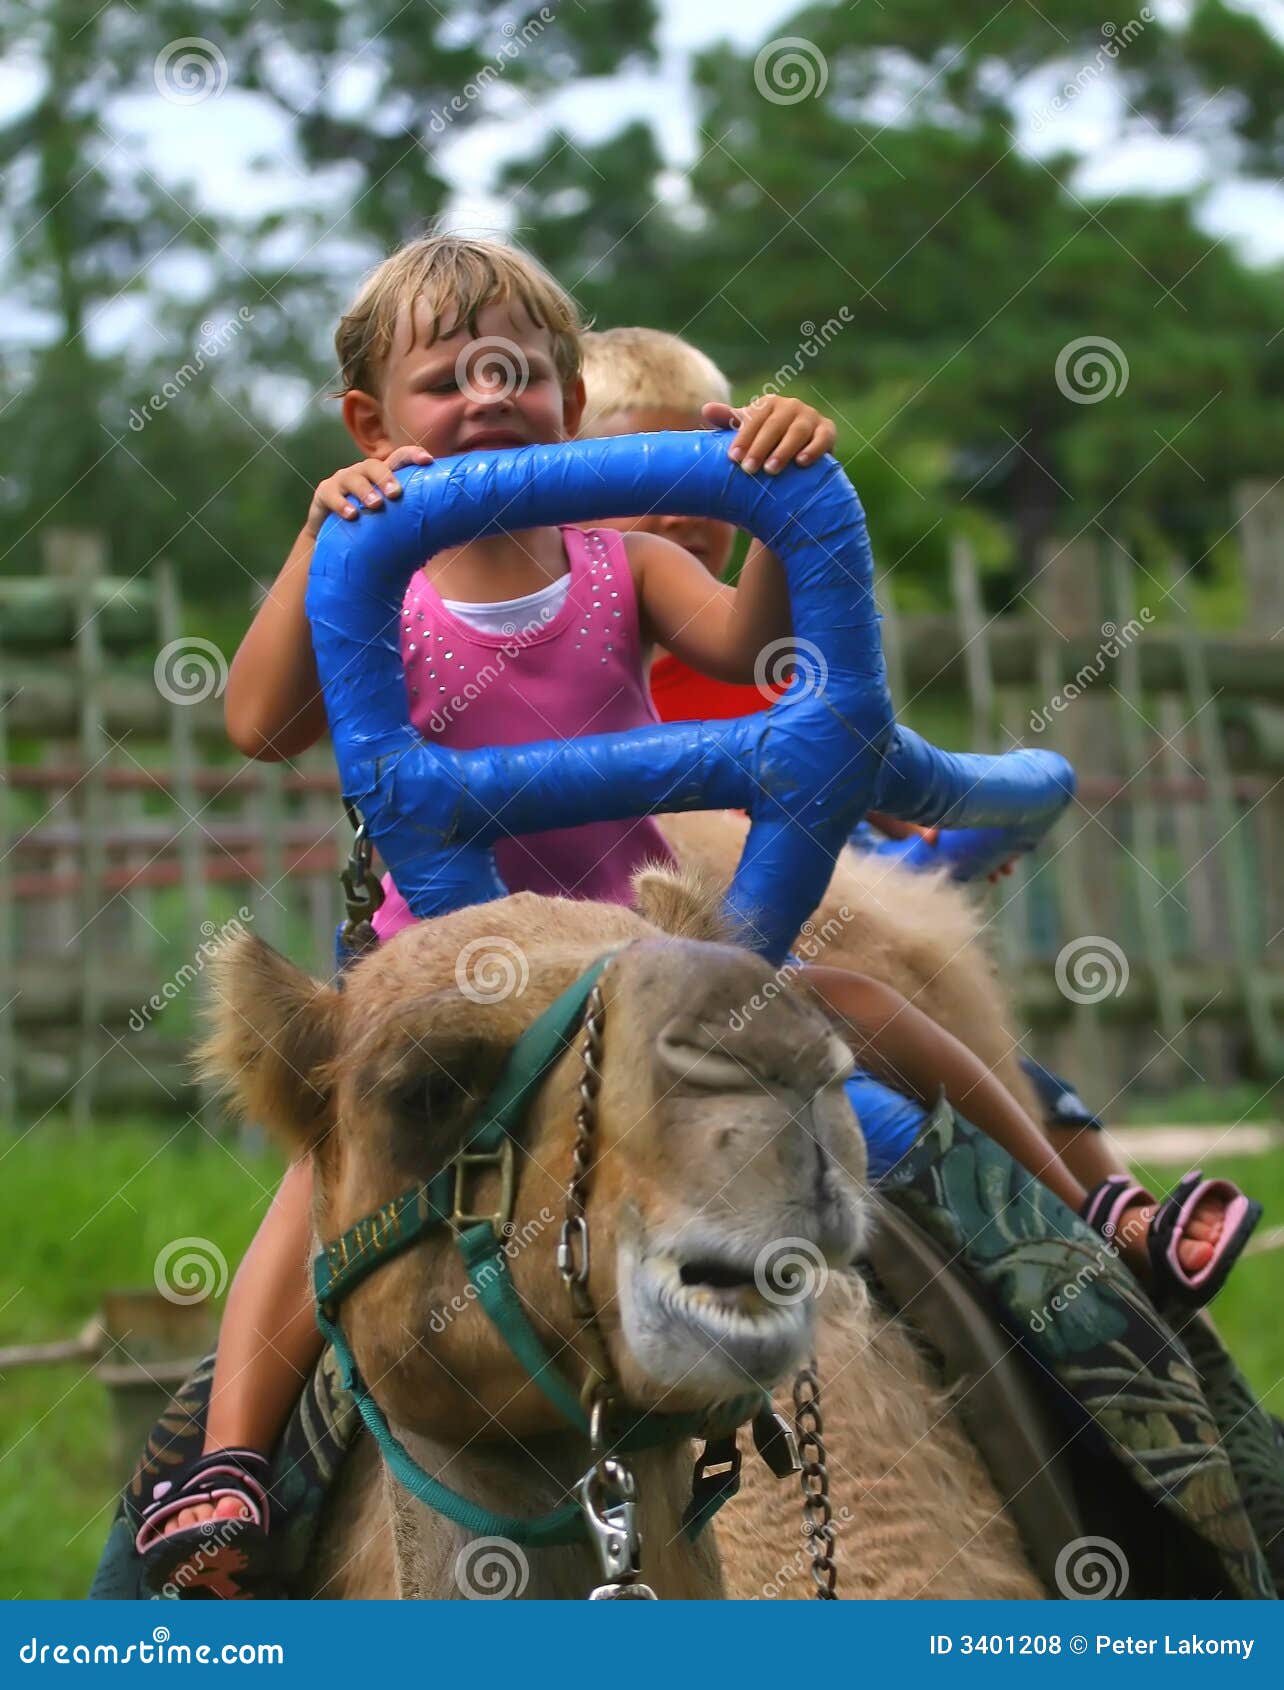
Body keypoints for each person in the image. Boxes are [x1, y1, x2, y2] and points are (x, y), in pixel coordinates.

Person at [136, 243, 1256, 1591]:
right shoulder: (379, 586)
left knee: (883, 1050)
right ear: (371, 426)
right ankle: (229, 1466)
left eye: (521, 371)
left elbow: (746, 647)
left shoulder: (620, 565)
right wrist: (327, 529)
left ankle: (1103, 1227)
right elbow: (258, 722)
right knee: (328, 1188)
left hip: (651, 971)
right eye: (446, 378)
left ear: (568, 400)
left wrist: (775, 487)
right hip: (458, 989)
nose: (488, 393)